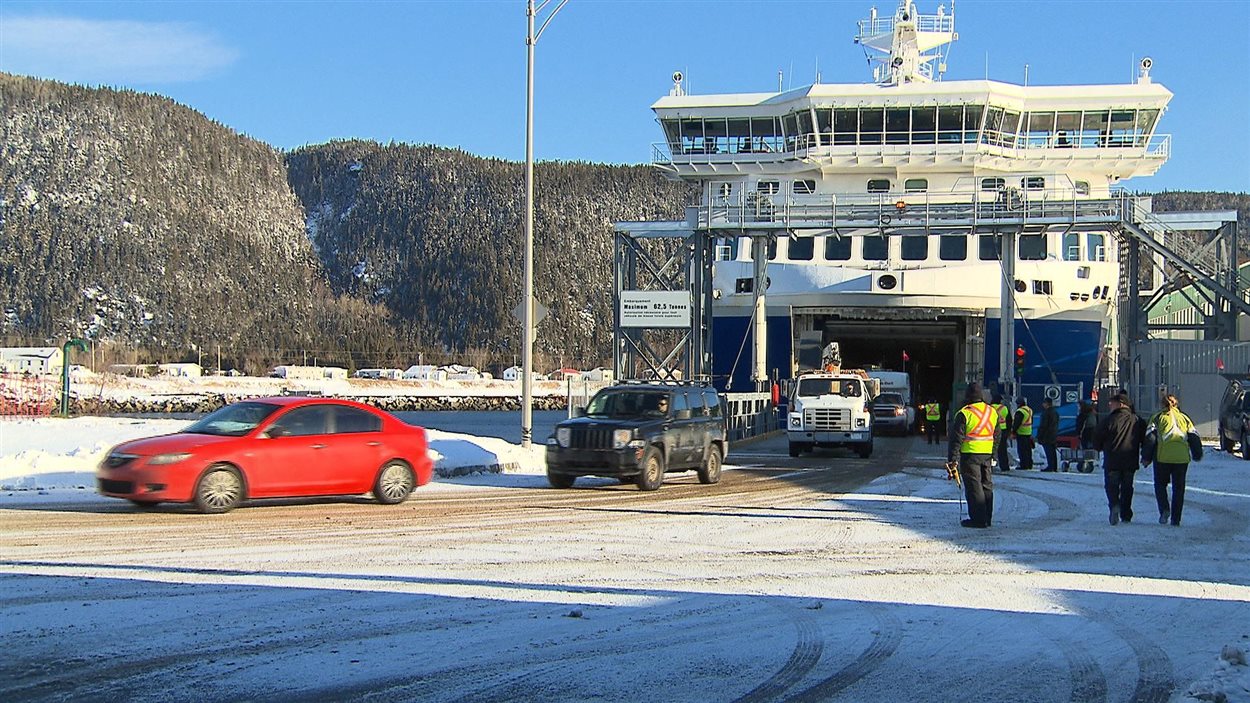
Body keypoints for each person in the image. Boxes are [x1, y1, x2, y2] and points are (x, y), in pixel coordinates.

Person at [1142, 394, 1201, 526]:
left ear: (1161, 404)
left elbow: (1150, 439)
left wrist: (1146, 457)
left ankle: (1164, 509)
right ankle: (1176, 519)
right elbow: (1194, 437)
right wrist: (1197, 453)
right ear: (1176, 404)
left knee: (1160, 485)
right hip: (1181, 459)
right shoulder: (1185, 418)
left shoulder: (1157, 418)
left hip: (1163, 457)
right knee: (1179, 489)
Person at [948, 383, 999, 529]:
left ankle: (978, 519)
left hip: (970, 454)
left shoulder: (965, 413)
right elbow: (997, 435)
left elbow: (956, 439)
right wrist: (994, 454)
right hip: (987, 454)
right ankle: (987, 518)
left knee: (974, 487)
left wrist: (953, 460)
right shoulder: (992, 412)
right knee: (986, 486)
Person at [1095, 392, 1145, 525]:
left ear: (1121, 404)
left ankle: (1114, 505)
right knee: (1127, 487)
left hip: (1112, 459)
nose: (1110, 405)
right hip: (1130, 459)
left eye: (1112, 403)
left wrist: (1099, 447)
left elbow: (1097, 439)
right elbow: (1144, 439)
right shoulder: (1137, 420)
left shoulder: (1109, 420)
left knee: (1111, 486)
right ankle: (1126, 513)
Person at [1038, 398, 1060, 472]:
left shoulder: (1046, 413)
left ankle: (1050, 467)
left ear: (1047, 404)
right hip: (1053, 433)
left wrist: (1040, 435)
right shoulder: (1055, 412)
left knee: (1048, 451)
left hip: (1047, 435)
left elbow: (1043, 425)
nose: (1042, 405)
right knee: (1053, 451)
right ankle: (1054, 466)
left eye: (1044, 403)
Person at [1013, 396, 1035, 470]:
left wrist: (1013, 431)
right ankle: (1029, 464)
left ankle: (1023, 465)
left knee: (1022, 450)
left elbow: (1017, 423)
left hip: (1021, 432)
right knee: (1028, 450)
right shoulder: (1029, 410)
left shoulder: (1020, 411)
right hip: (1028, 432)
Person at [991, 394, 1011, 471]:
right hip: (1003, 430)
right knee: (1002, 450)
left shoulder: (990, 408)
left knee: (991, 450)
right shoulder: (1004, 408)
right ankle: (1005, 466)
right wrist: (1008, 431)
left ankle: (991, 466)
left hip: (991, 431)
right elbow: (1009, 420)